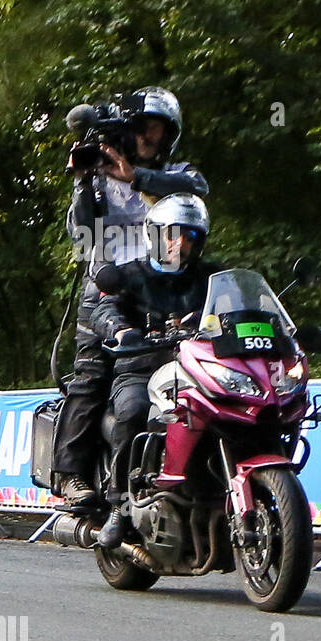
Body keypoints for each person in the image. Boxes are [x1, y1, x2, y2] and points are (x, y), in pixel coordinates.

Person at [52, 87, 209, 509]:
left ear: (169, 133)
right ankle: (71, 476)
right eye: (140, 127)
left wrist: (134, 177)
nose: (147, 136)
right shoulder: (98, 175)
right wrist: (86, 180)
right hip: (108, 289)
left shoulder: (175, 172)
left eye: (155, 128)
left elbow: (199, 186)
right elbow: (80, 233)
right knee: (89, 378)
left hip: (164, 287)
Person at [89, 192, 214, 547]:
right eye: (172, 234)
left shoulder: (211, 277)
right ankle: (119, 506)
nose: (178, 243)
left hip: (200, 369)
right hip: (141, 368)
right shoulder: (129, 275)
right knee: (133, 410)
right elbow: (104, 310)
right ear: (154, 234)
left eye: (188, 236)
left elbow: (240, 307)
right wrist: (119, 329)